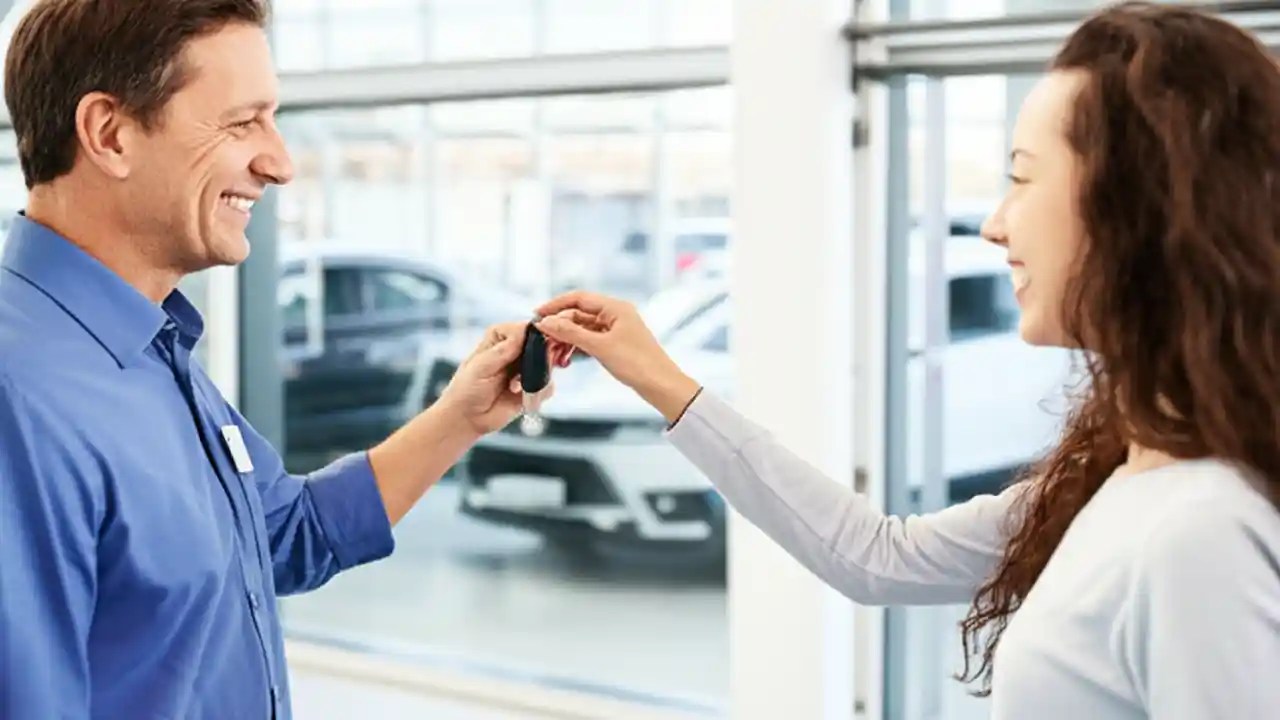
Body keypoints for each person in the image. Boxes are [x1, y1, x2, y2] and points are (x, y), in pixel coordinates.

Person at [534, 3, 1280, 719]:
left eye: (1021, 178)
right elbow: (874, 556)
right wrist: (656, 376)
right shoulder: (1121, 478)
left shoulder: (1203, 534)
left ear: (1139, 210)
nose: (993, 224)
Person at [0, 2, 570, 719]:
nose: (280, 163)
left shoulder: (148, 349)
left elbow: (281, 536)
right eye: (242, 123)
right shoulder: (19, 395)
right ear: (111, 134)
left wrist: (461, 417)